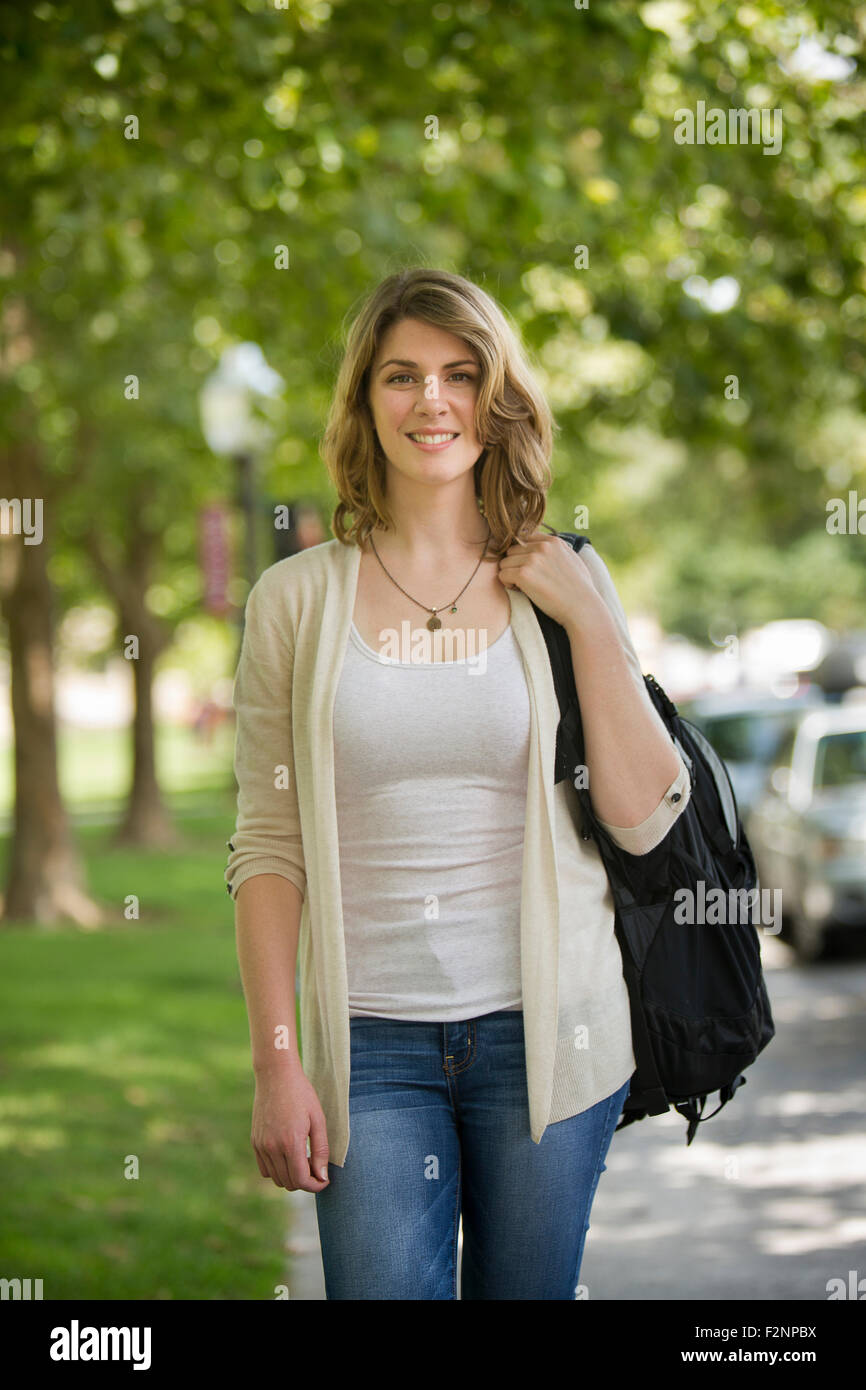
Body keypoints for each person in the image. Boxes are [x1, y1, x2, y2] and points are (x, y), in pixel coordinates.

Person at [225, 267, 691, 1300]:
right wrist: (276, 1059)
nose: (430, 400)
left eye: (458, 373)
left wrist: (588, 622)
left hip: (548, 1030)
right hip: (370, 1044)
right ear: (363, 403)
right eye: (400, 375)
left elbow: (642, 813)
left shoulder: (563, 575)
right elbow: (268, 842)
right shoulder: (294, 601)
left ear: (495, 399)